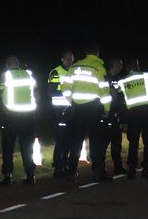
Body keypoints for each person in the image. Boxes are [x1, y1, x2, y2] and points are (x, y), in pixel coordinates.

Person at [62, 43, 112, 181]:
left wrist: (71, 100)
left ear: (86, 53)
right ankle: (98, 171)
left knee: (76, 140)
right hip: (94, 108)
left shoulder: (75, 66)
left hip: (77, 108)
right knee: (96, 141)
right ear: (97, 54)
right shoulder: (99, 68)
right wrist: (107, 109)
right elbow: (104, 92)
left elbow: (65, 86)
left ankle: (71, 171)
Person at [0, 55, 38, 185]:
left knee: (8, 146)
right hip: (28, 116)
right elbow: (37, 94)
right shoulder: (29, 75)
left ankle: (8, 176)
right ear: (18, 64)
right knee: (27, 147)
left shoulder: (5, 76)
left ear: (7, 65)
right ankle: (30, 175)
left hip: (11, 116)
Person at [117, 58, 148, 179]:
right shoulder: (146, 76)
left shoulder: (123, 81)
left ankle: (132, 170)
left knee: (133, 143)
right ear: (138, 66)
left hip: (132, 115)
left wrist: (124, 120)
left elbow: (121, 102)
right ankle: (146, 169)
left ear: (128, 68)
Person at [48, 50, 74, 179]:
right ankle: (58, 168)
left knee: (70, 140)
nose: (70, 61)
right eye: (67, 59)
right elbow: (51, 92)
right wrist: (68, 94)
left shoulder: (75, 72)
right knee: (60, 140)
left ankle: (65, 163)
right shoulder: (55, 72)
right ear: (62, 59)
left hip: (72, 111)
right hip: (60, 111)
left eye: (71, 59)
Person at [104, 58, 128, 176]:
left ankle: (118, 166)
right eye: (120, 64)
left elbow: (121, 97)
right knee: (104, 143)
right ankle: (100, 168)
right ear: (115, 64)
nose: (121, 67)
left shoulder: (119, 79)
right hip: (106, 114)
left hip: (117, 115)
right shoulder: (105, 78)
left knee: (117, 143)